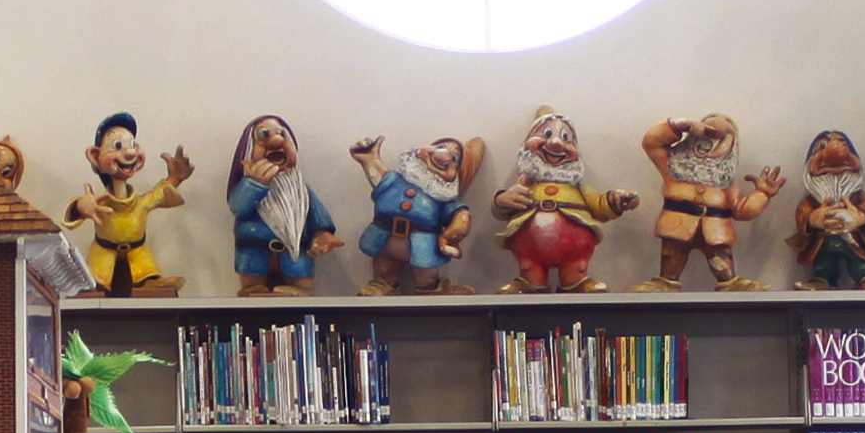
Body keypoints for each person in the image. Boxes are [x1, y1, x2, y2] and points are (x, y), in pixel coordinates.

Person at [491, 109, 638, 293]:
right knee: (530, 267)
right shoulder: (524, 185)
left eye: (566, 138)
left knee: (576, 267)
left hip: (575, 251)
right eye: (547, 134)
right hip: (529, 250)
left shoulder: (577, 187)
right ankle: (529, 283)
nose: (556, 143)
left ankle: (576, 281)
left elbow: (599, 205)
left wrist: (614, 201)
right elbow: (499, 211)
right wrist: (501, 200)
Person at [635, 113, 782, 291]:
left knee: (722, 258)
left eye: (719, 140)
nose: (708, 143)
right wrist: (681, 125)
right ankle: (666, 281)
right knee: (671, 254)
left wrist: (762, 193)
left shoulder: (726, 181)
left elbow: (742, 210)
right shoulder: (673, 165)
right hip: (676, 226)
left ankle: (729, 282)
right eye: (705, 135)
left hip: (715, 231)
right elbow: (651, 142)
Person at [64, 113, 193, 297]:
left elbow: (160, 193)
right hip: (103, 253)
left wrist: (175, 177)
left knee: (143, 260)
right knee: (94, 279)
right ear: (95, 156)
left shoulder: (141, 203)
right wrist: (81, 207)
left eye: (133, 145)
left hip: (137, 252)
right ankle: (95, 285)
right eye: (117, 146)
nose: (130, 152)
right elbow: (74, 213)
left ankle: (148, 281)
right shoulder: (99, 204)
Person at [351, 131, 483, 295]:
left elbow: (458, 214)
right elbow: (378, 176)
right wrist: (370, 160)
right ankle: (383, 285)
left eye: (454, 158)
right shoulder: (396, 181)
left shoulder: (442, 197)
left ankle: (431, 288)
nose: (443, 155)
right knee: (385, 267)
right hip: (385, 236)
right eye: (440, 146)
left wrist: (459, 222)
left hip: (422, 243)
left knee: (425, 274)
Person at [226, 115, 342, 296]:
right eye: (264, 135)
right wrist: (255, 185)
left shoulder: (301, 194)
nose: (276, 140)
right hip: (253, 251)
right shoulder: (248, 188)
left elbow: (319, 220)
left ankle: (298, 288)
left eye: (281, 134)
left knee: (300, 278)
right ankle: (252, 289)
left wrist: (322, 235)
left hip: (295, 254)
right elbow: (238, 207)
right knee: (252, 285)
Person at [787, 130, 865, 290]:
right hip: (824, 240)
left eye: (842, 143)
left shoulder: (858, 197)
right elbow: (802, 213)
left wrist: (859, 218)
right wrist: (814, 218)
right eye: (822, 147)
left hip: (855, 241)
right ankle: (822, 279)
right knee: (824, 262)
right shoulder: (812, 201)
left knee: (860, 262)